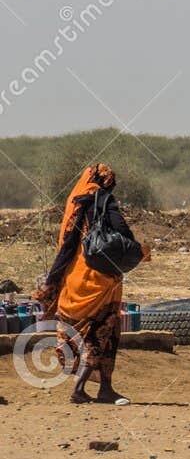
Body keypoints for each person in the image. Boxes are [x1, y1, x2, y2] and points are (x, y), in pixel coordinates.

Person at [36, 164, 144, 405]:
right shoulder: (104, 200)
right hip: (99, 279)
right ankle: (79, 389)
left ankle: (106, 389)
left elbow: (67, 245)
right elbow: (122, 231)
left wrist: (53, 278)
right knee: (100, 332)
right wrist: (136, 250)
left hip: (74, 277)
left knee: (98, 334)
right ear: (107, 182)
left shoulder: (75, 203)